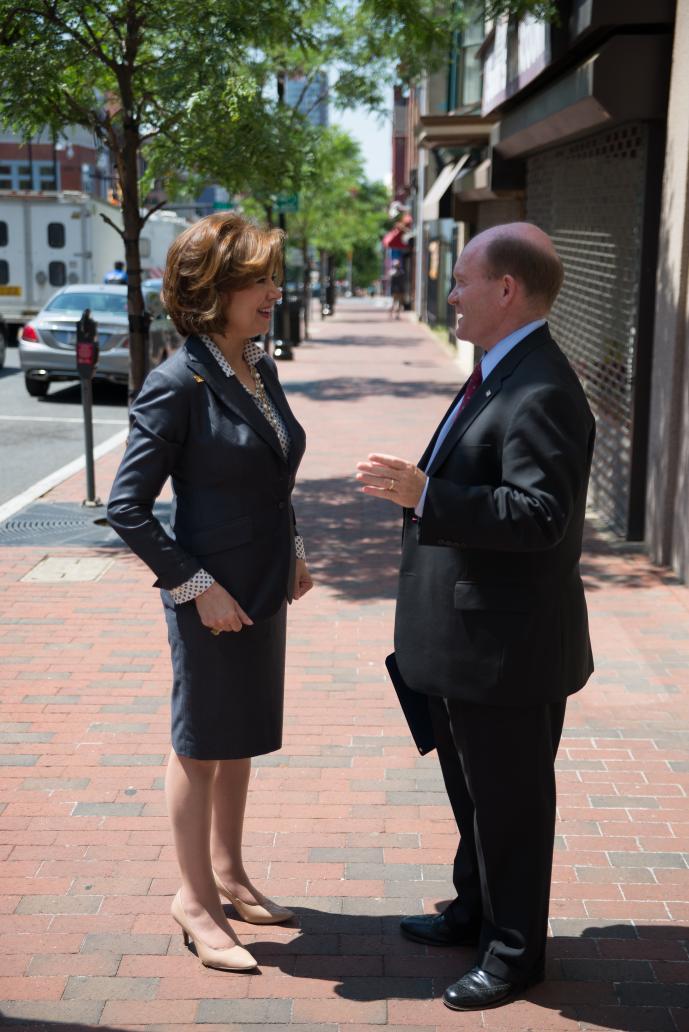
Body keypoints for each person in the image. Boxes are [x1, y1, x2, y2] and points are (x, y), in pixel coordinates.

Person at [356, 222, 595, 1010]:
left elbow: (538, 517)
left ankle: (515, 951)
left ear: (506, 290)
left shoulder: (542, 387)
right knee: (473, 793)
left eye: (461, 281)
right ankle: (475, 911)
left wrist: (426, 494)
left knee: (510, 805)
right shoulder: (497, 370)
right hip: (469, 643)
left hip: (508, 652)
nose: (448, 294)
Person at [107, 212, 313, 973]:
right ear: (213, 290)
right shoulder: (176, 381)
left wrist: (291, 548)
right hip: (212, 596)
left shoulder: (258, 364)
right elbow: (126, 508)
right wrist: (196, 587)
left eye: (270, 277)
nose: (272, 291)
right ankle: (192, 901)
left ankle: (228, 874)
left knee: (238, 738)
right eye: (257, 280)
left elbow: (273, 471)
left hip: (260, 588)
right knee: (199, 746)